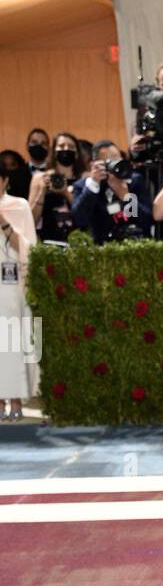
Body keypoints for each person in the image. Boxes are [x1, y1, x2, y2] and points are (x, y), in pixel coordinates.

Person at [0, 160, 39, 420]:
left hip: (11, 282)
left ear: (5, 181)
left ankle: (14, 401)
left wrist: (3, 221)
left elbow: (28, 247)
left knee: (10, 344)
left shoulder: (19, 206)